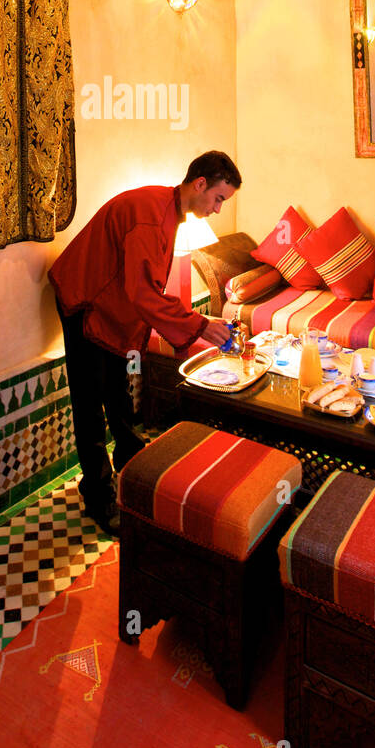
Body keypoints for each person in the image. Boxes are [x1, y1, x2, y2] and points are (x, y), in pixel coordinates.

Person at [48, 150, 240, 534]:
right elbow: (143, 293)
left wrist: (193, 323)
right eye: (219, 198)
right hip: (84, 300)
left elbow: (141, 288)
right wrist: (200, 325)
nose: (218, 209)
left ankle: (133, 464)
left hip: (111, 304)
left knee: (116, 387)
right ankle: (98, 495)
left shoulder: (167, 208)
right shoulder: (152, 217)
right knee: (89, 400)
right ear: (200, 184)